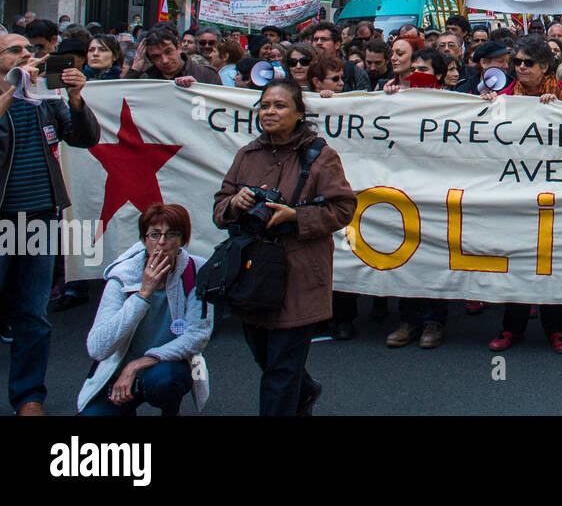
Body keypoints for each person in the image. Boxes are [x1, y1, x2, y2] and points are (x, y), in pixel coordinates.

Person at [213, 80, 356, 416]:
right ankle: (305, 391)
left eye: (279, 106)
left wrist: (297, 215)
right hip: (252, 275)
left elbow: (343, 208)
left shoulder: (320, 157)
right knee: (268, 359)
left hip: (299, 274)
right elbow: (220, 207)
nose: (270, 112)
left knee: (280, 371)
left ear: (298, 114)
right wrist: (235, 202)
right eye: (264, 106)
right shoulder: (247, 154)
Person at [0, 35, 101, 414]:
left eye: (30, 51)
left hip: (39, 217)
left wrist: (75, 100)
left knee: (32, 312)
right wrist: (14, 88)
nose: (28, 56)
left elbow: (85, 138)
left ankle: (29, 398)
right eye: (15, 52)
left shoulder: (46, 101)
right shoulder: (13, 97)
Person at [482, 37, 562, 353]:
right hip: (517, 191)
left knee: (552, 262)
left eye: (528, 63)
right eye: (517, 62)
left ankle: (556, 329)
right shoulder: (506, 94)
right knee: (518, 259)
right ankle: (513, 327)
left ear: (545, 66)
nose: (520, 68)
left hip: (555, 190)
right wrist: (486, 105)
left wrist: (560, 110)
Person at [78, 204, 213, 416]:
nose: (161, 242)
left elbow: (198, 336)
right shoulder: (121, 277)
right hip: (119, 373)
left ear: (183, 241)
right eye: (154, 234)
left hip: (166, 366)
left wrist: (138, 364)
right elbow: (97, 348)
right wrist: (142, 295)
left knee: (165, 381)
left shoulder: (197, 272)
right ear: (143, 240)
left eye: (171, 235)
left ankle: (171, 412)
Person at [128, 28, 221, 86]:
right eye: (156, 57)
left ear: (178, 47)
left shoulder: (207, 75)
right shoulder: (145, 80)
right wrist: (135, 70)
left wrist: (198, 89)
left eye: (168, 52)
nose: (164, 60)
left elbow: (221, 110)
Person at [310, 24, 370, 92]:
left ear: (337, 45)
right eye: (315, 39)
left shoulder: (353, 71)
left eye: (324, 39)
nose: (318, 43)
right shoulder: (306, 68)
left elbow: (365, 99)